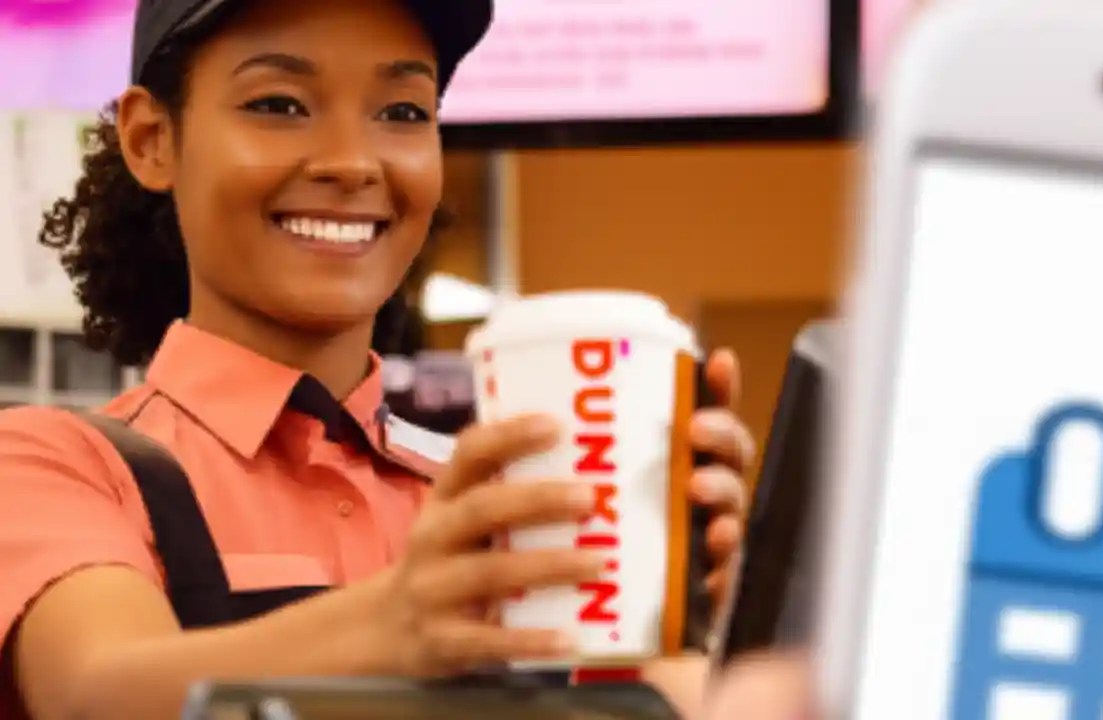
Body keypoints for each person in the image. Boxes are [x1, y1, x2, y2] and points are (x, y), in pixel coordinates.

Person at [0, 1, 756, 719]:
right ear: (150, 140)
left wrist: (705, 625)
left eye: (402, 113)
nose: (354, 163)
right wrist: (394, 623)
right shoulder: (54, 464)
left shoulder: (499, 501)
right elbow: (94, 692)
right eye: (279, 104)